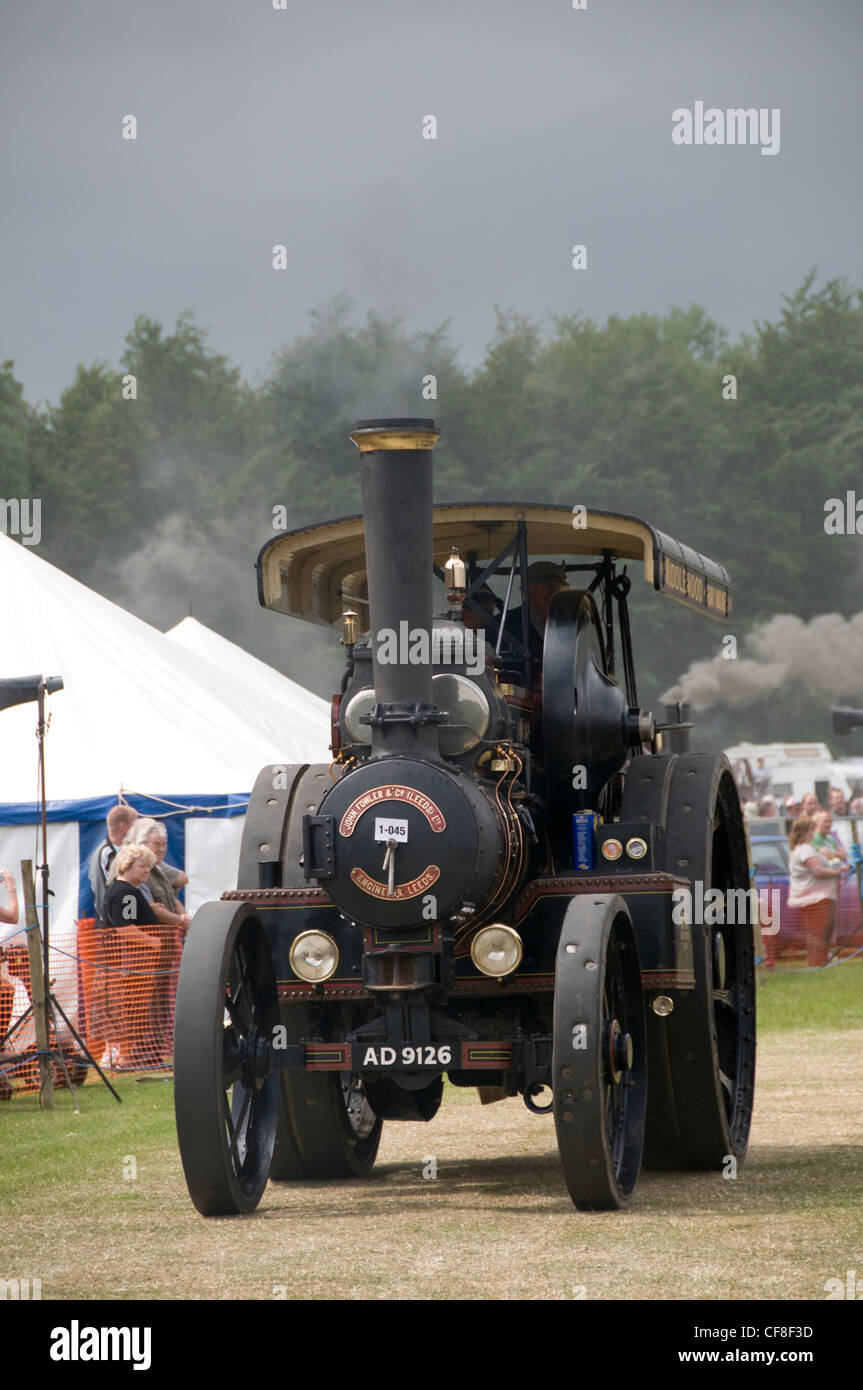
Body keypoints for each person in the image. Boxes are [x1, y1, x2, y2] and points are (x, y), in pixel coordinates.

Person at [786, 815, 843, 967]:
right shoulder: (805, 849)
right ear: (805, 831)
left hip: (820, 896)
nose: (814, 832)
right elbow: (817, 871)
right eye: (812, 829)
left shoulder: (803, 848)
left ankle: (822, 961)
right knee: (818, 932)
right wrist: (838, 871)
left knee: (822, 932)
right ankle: (816, 963)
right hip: (815, 897)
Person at [502, 560, 567, 670]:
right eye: (548, 586)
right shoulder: (504, 625)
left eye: (557, 587)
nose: (554, 592)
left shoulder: (569, 623)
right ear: (529, 590)